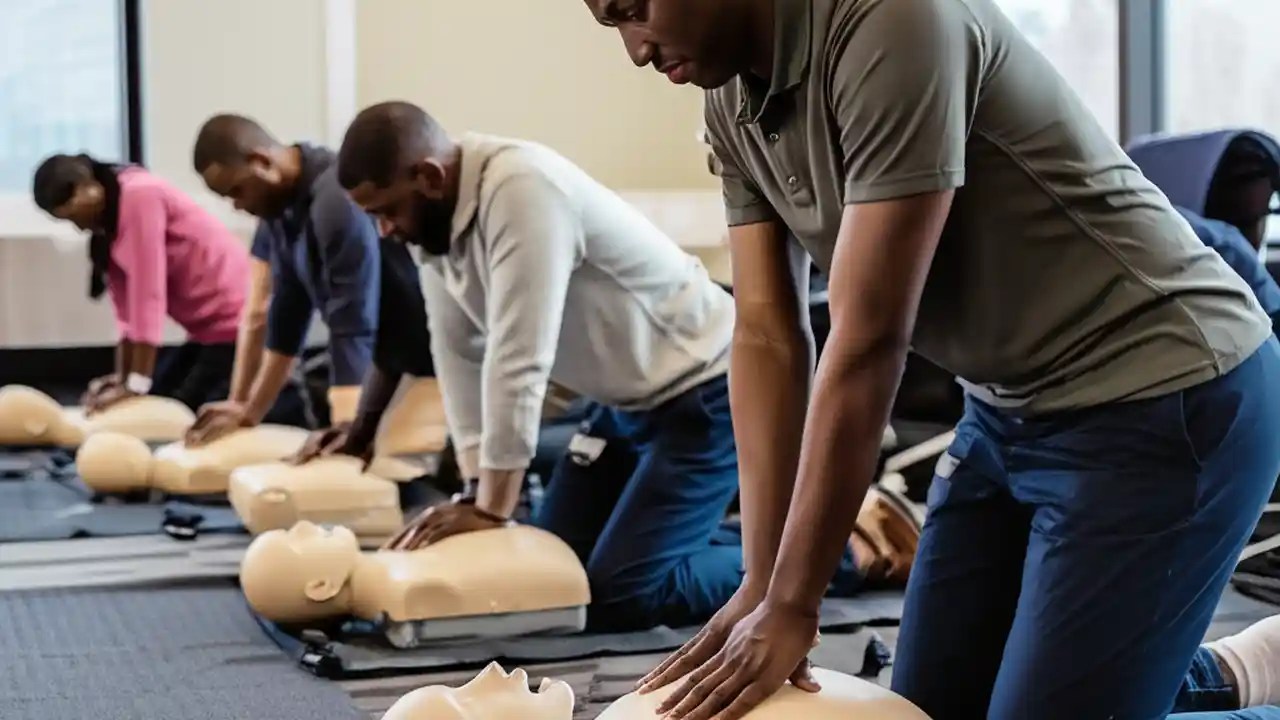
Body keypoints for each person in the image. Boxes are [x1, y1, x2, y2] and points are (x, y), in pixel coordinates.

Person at [582, 0, 1280, 718]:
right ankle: (1217, 665)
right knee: (927, 711)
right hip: (1005, 411)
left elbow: (869, 337)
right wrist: (762, 583)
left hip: (1168, 399)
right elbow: (767, 334)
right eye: (611, 26)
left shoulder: (893, 20)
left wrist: (796, 598)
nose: (635, 49)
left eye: (633, 11)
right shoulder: (729, 100)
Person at [328, 101, 920, 632]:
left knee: (622, 592)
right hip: (622, 404)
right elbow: (457, 353)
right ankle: (708, 535)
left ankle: (846, 546)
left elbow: (518, 355)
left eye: (386, 211)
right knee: (553, 569)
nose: (384, 230)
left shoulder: (521, 188)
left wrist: (492, 507)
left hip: (706, 395)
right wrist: (472, 490)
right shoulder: (433, 229)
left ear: (429, 178)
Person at [185, 114, 392, 446]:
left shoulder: (335, 202)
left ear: (261, 161)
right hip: (378, 362)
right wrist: (247, 410)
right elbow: (285, 320)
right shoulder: (282, 210)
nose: (238, 205)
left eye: (237, 191)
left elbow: (353, 325)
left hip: (417, 362)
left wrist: (347, 426)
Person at [31, 153, 249, 412]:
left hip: (237, 324)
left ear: (89, 188)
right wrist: (122, 380)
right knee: (155, 397)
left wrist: (136, 385)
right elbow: (127, 315)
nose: (79, 228)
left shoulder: (139, 196)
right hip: (205, 333)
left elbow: (148, 294)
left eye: (75, 217)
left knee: (179, 411)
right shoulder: (107, 223)